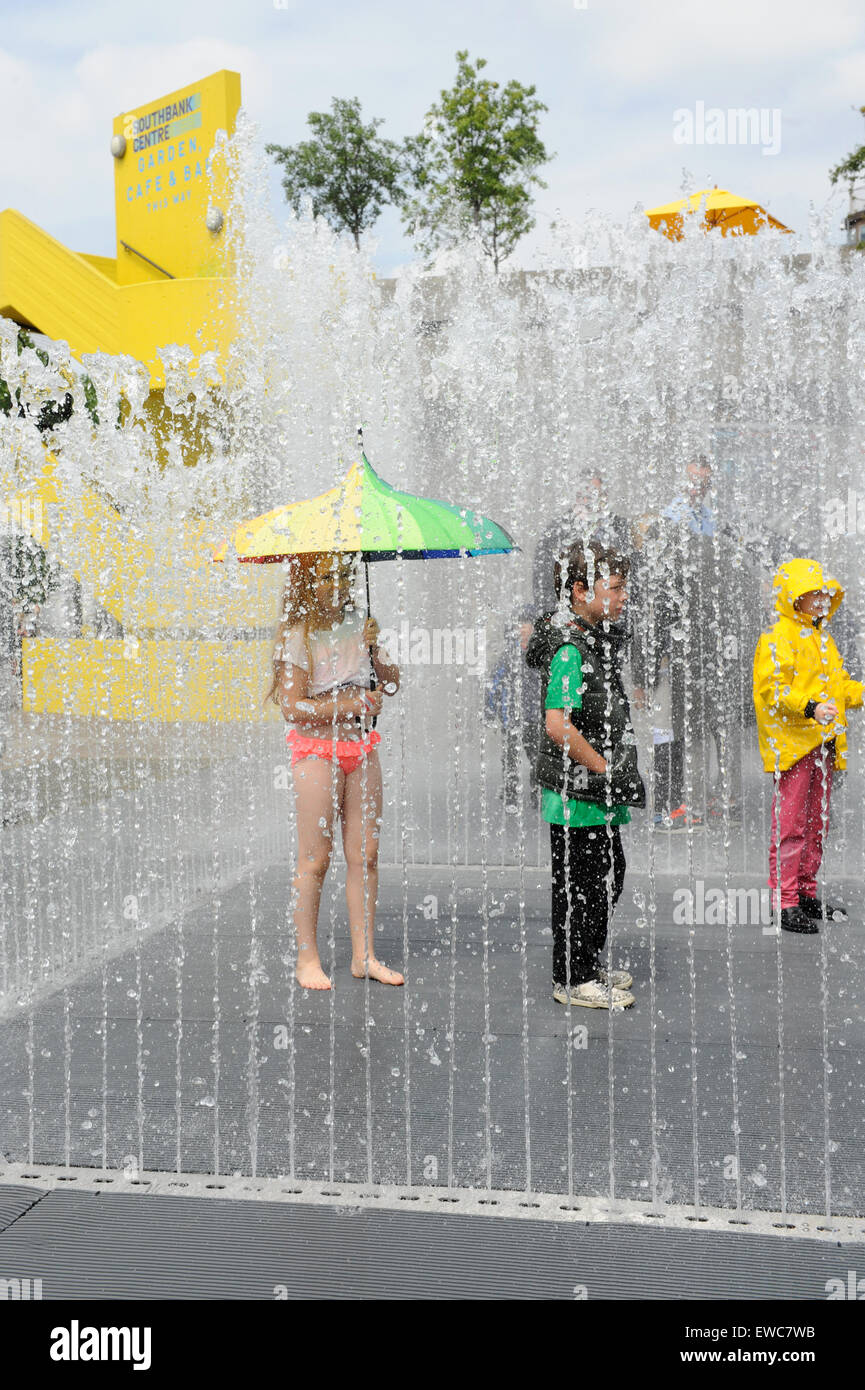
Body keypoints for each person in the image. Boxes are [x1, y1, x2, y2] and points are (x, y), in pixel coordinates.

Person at [263, 552, 403, 990]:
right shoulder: (298, 636)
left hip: (361, 749)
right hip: (317, 753)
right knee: (316, 859)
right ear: (306, 581)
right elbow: (291, 707)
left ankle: (364, 955)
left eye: (342, 576)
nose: (336, 586)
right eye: (324, 577)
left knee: (366, 856)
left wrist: (376, 652)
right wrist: (347, 703)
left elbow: (393, 683)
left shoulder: (359, 627)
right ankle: (307, 958)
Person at [525, 541, 645, 1009]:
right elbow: (558, 724)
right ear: (579, 591)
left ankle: (587, 961)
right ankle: (573, 978)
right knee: (583, 883)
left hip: (596, 791)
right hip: (579, 792)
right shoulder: (570, 650)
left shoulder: (593, 638)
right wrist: (606, 769)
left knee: (606, 876)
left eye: (624, 587)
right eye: (614, 588)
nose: (623, 596)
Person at [631, 455, 746, 829]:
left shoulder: (710, 525)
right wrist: (647, 672)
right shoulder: (669, 526)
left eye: (704, 480)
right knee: (671, 731)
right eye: (693, 478)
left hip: (698, 651)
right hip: (670, 655)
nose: (698, 485)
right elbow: (655, 610)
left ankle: (690, 802)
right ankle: (667, 804)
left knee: (694, 729)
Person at [753, 558, 863, 933]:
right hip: (795, 745)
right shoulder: (776, 638)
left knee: (817, 824)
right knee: (791, 824)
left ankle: (805, 892)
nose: (820, 599)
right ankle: (783, 902)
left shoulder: (822, 639)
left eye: (822, 593)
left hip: (823, 745)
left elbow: (840, 687)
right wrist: (811, 707)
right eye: (811, 593)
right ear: (792, 598)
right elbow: (771, 689)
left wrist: (857, 693)